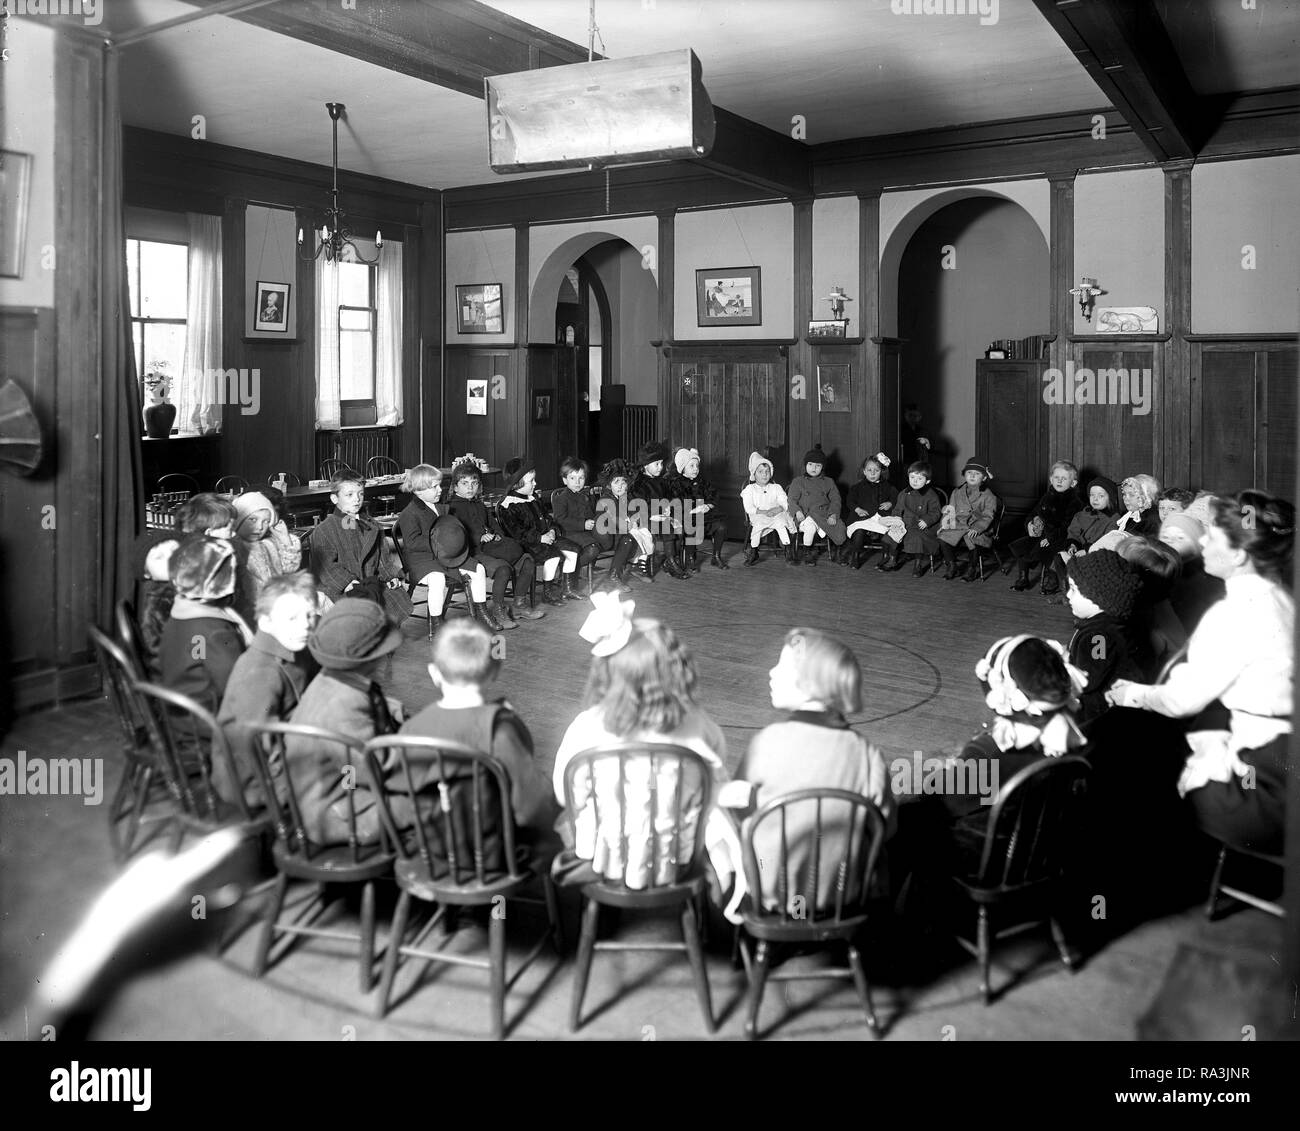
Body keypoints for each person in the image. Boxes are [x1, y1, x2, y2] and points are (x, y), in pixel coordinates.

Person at [1107, 491, 1294, 856]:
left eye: (1213, 536)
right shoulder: (1282, 597)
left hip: (1264, 792)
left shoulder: (1234, 613)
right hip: (1285, 762)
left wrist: (1130, 693)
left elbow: (1179, 701)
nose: (1203, 539)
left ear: (1238, 554)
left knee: (1129, 760)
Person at [551, 596, 737, 896]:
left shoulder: (586, 726)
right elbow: (714, 778)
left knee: (563, 817)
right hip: (676, 853)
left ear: (607, 672)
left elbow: (566, 795)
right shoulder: (698, 724)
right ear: (677, 671)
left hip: (603, 855)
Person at [733, 629, 896, 913]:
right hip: (839, 896)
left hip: (772, 895)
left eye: (782, 666)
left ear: (811, 682)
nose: (771, 672)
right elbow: (887, 826)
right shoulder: (865, 751)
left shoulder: (768, 741)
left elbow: (739, 809)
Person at [397, 620, 561, 871]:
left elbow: (401, 794)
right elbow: (531, 807)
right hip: (493, 852)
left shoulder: (412, 729)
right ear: (494, 672)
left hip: (431, 848)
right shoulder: (499, 730)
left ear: (434, 673)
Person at [285, 599, 405, 846]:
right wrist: (420, 745)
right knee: (433, 803)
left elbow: (364, 701)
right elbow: (372, 769)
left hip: (330, 794)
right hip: (334, 815)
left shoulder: (332, 678)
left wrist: (391, 710)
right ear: (369, 659)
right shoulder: (343, 706)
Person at [215, 571, 321, 808]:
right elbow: (254, 748)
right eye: (292, 618)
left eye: (310, 615)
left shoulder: (294, 647)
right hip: (252, 781)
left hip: (283, 749)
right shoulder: (260, 673)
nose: (305, 626)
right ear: (265, 621)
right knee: (350, 772)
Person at [396, 463, 503, 632]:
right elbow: (412, 543)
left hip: (445, 555)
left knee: (478, 568)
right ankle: (437, 623)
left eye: (439, 485)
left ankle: (482, 613)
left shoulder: (440, 507)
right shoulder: (409, 513)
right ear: (419, 490)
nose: (440, 490)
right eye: (434, 487)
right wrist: (439, 541)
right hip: (421, 560)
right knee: (437, 579)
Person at [158, 536, 253, 715]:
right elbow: (235, 685)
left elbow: (197, 653)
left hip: (182, 710)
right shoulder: (214, 632)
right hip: (207, 717)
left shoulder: (182, 612)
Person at [444, 460, 545, 623]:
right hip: (471, 553)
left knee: (528, 561)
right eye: (464, 484)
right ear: (455, 487)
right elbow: (453, 537)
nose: (470, 488)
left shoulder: (479, 505)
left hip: (491, 548)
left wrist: (497, 535)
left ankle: (519, 605)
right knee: (503, 569)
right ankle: (499, 610)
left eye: (474, 483)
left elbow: (494, 525)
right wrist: (479, 538)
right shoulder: (451, 508)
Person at [309, 470, 412, 623]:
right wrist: (347, 582)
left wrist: (391, 576)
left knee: (394, 599)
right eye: (349, 495)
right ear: (334, 498)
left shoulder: (371, 524)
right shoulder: (325, 530)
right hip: (341, 588)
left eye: (361, 494)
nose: (357, 499)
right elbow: (325, 567)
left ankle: (381, 641)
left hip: (370, 583)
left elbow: (382, 558)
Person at [1064, 548, 1143, 725]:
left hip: (1097, 714)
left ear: (1099, 599)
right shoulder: (1106, 626)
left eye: (1074, 589)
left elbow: (1088, 676)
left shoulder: (1098, 636)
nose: (1068, 595)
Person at [496, 456, 584, 603]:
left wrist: (552, 530)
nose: (535, 483)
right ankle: (547, 592)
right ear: (517, 484)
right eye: (531, 481)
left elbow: (547, 518)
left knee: (572, 550)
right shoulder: (508, 505)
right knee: (553, 556)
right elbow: (517, 533)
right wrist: (539, 538)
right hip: (527, 544)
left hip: (546, 538)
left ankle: (567, 589)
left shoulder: (533, 497)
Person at [1008, 460, 1083, 594]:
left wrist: (1050, 537)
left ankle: (1053, 578)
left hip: (1061, 536)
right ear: (1051, 479)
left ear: (1073, 483)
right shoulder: (1047, 496)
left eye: (1064, 478)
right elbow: (1034, 512)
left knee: (1053, 550)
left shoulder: (1074, 502)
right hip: (1044, 534)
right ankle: (1023, 577)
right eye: (1056, 477)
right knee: (1024, 544)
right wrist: (1030, 524)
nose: (1059, 481)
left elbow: (1068, 525)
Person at [231, 490, 302, 625]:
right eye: (253, 519)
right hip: (247, 616)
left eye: (266, 522)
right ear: (239, 518)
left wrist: (285, 541)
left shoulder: (267, 544)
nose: (259, 527)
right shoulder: (231, 548)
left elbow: (289, 570)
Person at [1049, 474, 1121, 596]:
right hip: (1079, 550)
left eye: (1101, 496)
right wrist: (1073, 544)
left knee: (1085, 563)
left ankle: (1080, 589)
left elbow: (1108, 540)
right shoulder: (1083, 514)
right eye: (1092, 495)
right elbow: (1074, 532)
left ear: (1111, 498)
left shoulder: (1114, 519)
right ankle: (1065, 588)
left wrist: (1087, 550)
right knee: (1059, 556)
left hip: (1096, 553)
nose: (1095, 499)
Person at [629, 441, 690, 580]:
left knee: (678, 527)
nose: (660, 467)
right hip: (645, 519)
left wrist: (668, 507)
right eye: (656, 464)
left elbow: (669, 497)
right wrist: (653, 516)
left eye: (661, 464)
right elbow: (637, 506)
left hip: (661, 518)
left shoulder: (661, 482)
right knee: (667, 528)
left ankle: (670, 558)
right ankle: (671, 562)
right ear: (645, 466)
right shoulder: (639, 484)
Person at [1159, 510, 1225, 636]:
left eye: (1180, 537)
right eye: (1165, 537)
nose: (1170, 542)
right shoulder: (1160, 573)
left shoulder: (1208, 583)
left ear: (1196, 542)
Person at [550, 456, 610, 587]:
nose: (577, 482)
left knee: (605, 539)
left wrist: (599, 519)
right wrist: (583, 524)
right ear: (565, 480)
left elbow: (592, 514)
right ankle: (568, 574)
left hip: (583, 532)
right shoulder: (561, 498)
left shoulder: (585, 496)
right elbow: (560, 519)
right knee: (593, 549)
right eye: (572, 478)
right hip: (568, 533)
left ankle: (581, 568)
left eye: (581, 478)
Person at [667, 446, 730, 570]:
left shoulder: (702, 482)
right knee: (691, 527)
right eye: (691, 466)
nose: (696, 469)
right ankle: (690, 559)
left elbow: (713, 495)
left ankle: (716, 557)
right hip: (687, 518)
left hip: (704, 517)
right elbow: (676, 504)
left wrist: (708, 505)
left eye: (697, 466)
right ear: (682, 468)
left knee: (721, 526)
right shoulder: (676, 484)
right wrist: (692, 510)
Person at [937, 459, 999, 581]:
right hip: (959, 525)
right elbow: (950, 510)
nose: (972, 476)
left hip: (978, 526)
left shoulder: (988, 495)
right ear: (964, 475)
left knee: (973, 538)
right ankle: (952, 565)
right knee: (943, 537)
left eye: (977, 474)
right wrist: (944, 525)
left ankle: (972, 568)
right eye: (969, 472)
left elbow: (988, 515)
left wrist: (977, 528)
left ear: (984, 478)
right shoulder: (957, 492)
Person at [878, 460, 942, 576]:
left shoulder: (931, 495)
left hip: (921, 526)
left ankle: (918, 564)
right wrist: (896, 518)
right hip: (905, 523)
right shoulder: (904, 493)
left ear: (927, 481)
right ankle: (892, 559)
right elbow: (897, 509)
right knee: (892, 534)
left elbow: (936, 512)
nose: (915, 481)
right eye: (912, 477)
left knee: (917, 538)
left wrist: (926, 520)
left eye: (919, 479)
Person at [593, 458, 647, 592]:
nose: (620, 486)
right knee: (628, 539)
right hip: (604, 535)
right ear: (609, 484)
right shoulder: (606, 498)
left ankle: (624, 568)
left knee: (640, 533)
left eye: (624, 483)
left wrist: (634, 520)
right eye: (616, 482)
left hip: (618, 531)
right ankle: (614, 574)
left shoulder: (626, 498)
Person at [786, 445, 846, 566]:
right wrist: (797, 511)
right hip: (805, 515)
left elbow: (836, 499)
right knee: (810, 527)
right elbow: (791, 500)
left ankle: (839, 552)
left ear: (822, 467)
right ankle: (807, 552)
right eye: (811, 464)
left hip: (824, 514)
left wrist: (833, 514)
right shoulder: (798, 481)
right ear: (805, 465)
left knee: (840, 527)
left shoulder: (829, 482)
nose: (814, 468)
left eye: (818, 465)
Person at [842, 453, 899, 569]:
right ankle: (855, 556)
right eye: (869, 470)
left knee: (888, 531)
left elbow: (896, 497)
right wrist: (857, 509)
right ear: (864, 471)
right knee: (859, 531)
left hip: (880, 517)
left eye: (876, 470)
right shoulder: (857, 487)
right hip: (862, 517)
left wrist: (890, 503)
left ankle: (886, 556)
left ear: (881, 472)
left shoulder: (887, 486)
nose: (873, 473)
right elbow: (850, 501)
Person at [740, 450, 795, 565]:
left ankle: (788, 549)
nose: (764, 474)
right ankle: (754, 552)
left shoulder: (776, 487)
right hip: (759, 515)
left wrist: (778, 509)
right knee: (757, 528)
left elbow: (784, 501)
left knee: (781, 523)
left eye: (767, 471)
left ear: (771, 473)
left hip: (775, 514)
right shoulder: (750, 490)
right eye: (760, 472)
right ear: (754, 474)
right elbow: (749, 508)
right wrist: (764, 512)